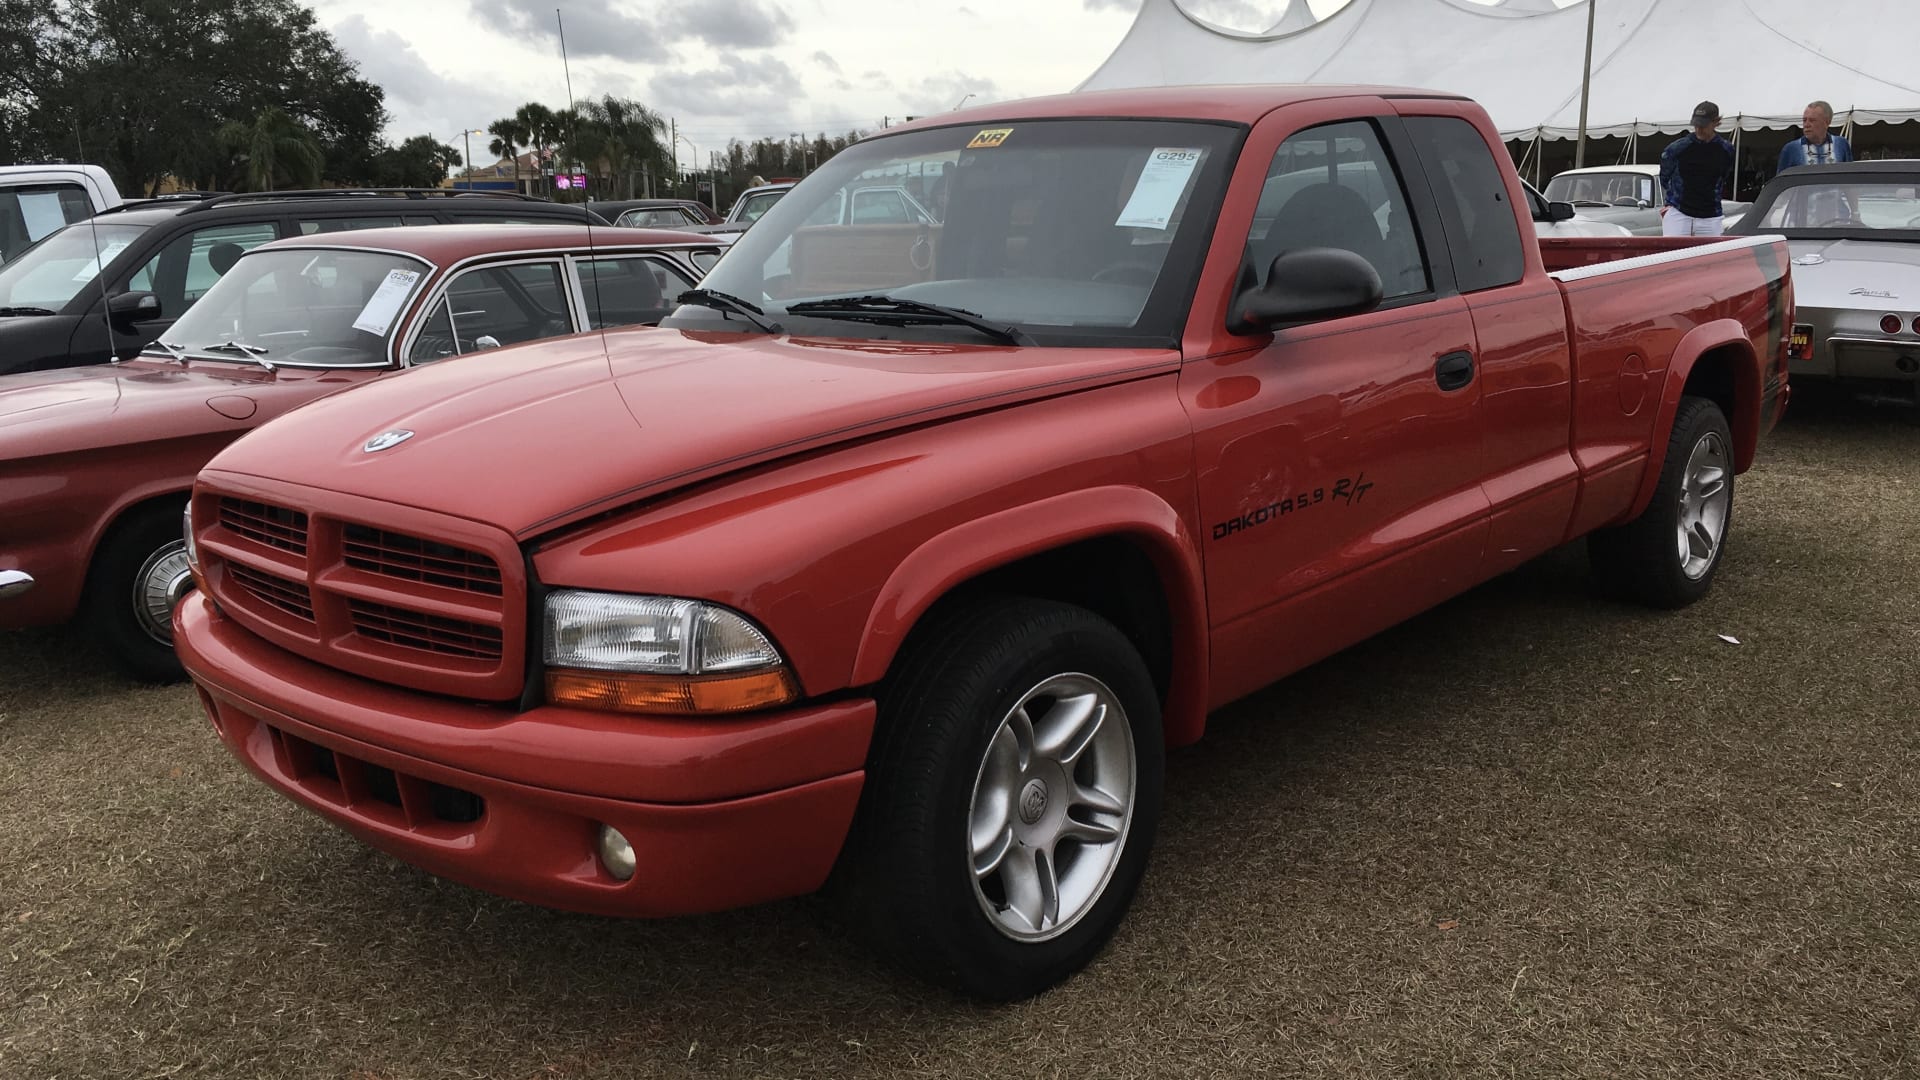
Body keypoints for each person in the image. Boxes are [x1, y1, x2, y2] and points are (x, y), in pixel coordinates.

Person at [1659, 101, 1737, 236]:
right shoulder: (1677, 148)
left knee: (1713, 250)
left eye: (1703, 125)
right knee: (1674, 250)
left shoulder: (1726, 149)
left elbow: (1723, 176)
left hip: (1711, 215)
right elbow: (1664, 177)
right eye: (1696, 125)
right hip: (1679, 212)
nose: (1699, 129)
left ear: (1716, 122)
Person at [1777, 100, 1852, 173]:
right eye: (1804, 120)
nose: (1806, 125)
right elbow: (1781, 179)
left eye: (1812, 120)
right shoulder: (1791, 149)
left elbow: (1850, 175)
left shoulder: (1841, 144)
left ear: (1827, 122)